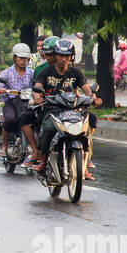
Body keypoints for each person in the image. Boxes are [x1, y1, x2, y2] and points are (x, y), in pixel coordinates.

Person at [30, 38, 94, 173]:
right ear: (55, 56)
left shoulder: (76, 73)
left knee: (86, 129)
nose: (63, 59)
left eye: (67, 56)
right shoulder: (46, 72)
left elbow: (86, 89)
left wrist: (93, 98)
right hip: (53, 110)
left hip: (73, 111)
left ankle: (85, 161)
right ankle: (43, 161)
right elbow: (37, 86)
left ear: (71, 57)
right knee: (48, 129)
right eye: (60, 55)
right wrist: (37, 97)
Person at [0, 43, 41, 165]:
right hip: (12, 101)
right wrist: (1, 90)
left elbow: (38, 85)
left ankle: (37, 150)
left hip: (27, 102)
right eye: (20, 58)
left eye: (25, 58)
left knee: (36, 120)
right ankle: (4, 146)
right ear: (14, 58)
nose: (23, 61)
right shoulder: (7, 72)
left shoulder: (32, 73)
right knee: (9, 119)